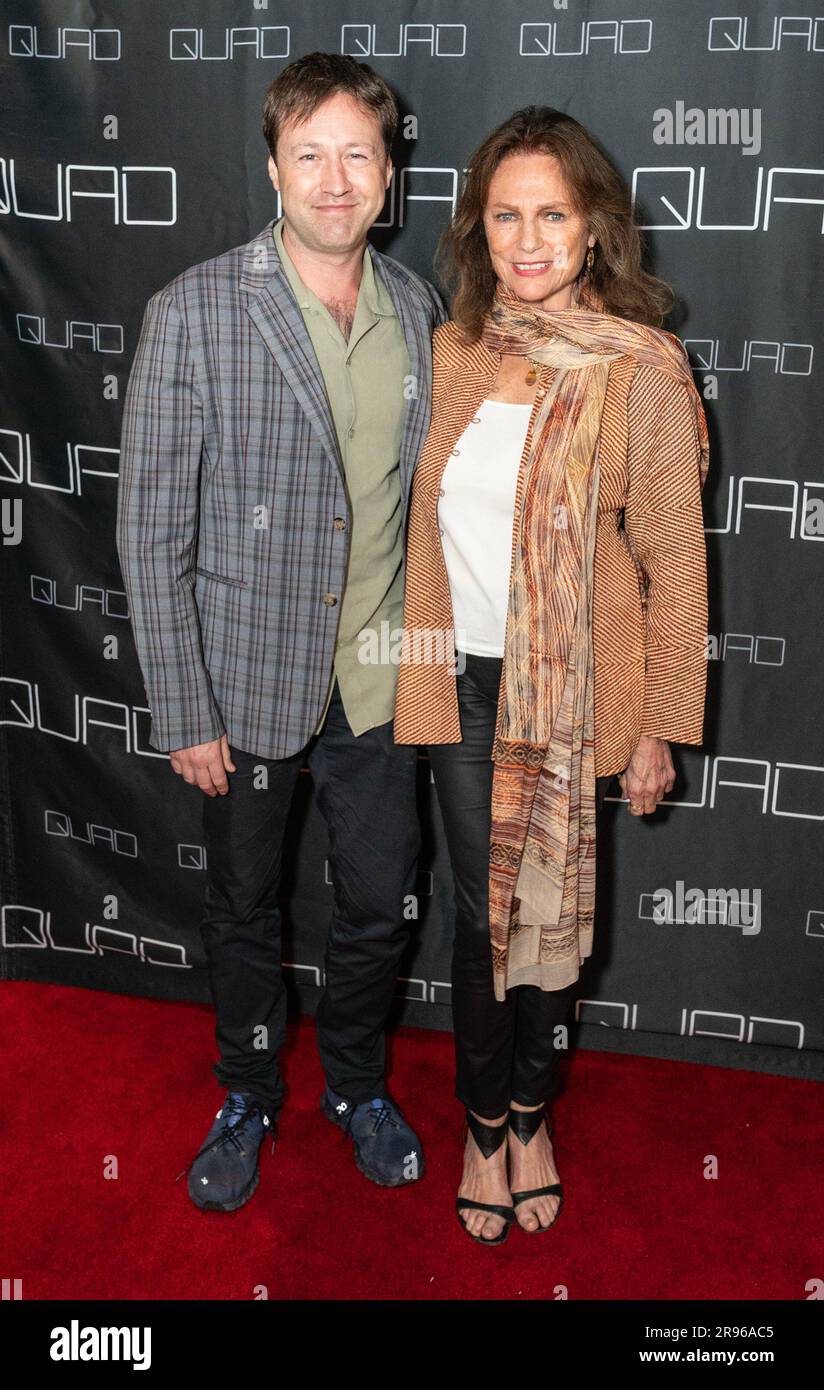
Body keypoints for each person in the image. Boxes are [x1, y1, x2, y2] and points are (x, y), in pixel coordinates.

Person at [116, 52, 447, 1212]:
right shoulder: (195, 310)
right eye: (310, 153)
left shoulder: (419, 311)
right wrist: (185, 707)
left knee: (378, 898)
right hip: (244, 682)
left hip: (380, 679)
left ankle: (354, 1082)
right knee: (243, 906)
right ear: (272, 167)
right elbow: (151, 530)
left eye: (359, 151)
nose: (335, 177)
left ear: (389, 174)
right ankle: (248, 1090)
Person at [394, 106, 709, 1245]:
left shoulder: (644, 371)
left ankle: (531, 1110)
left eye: (552, 216)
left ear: (591, 231)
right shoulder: (452, 352)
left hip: (579, 693)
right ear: (479, 229)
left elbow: (673, 557)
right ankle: (484, 1123)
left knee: (554, 921)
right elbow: (411, 533)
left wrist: (658, 725)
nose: (527, 242)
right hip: (461, 684)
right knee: (486, 918)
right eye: (505, 216)